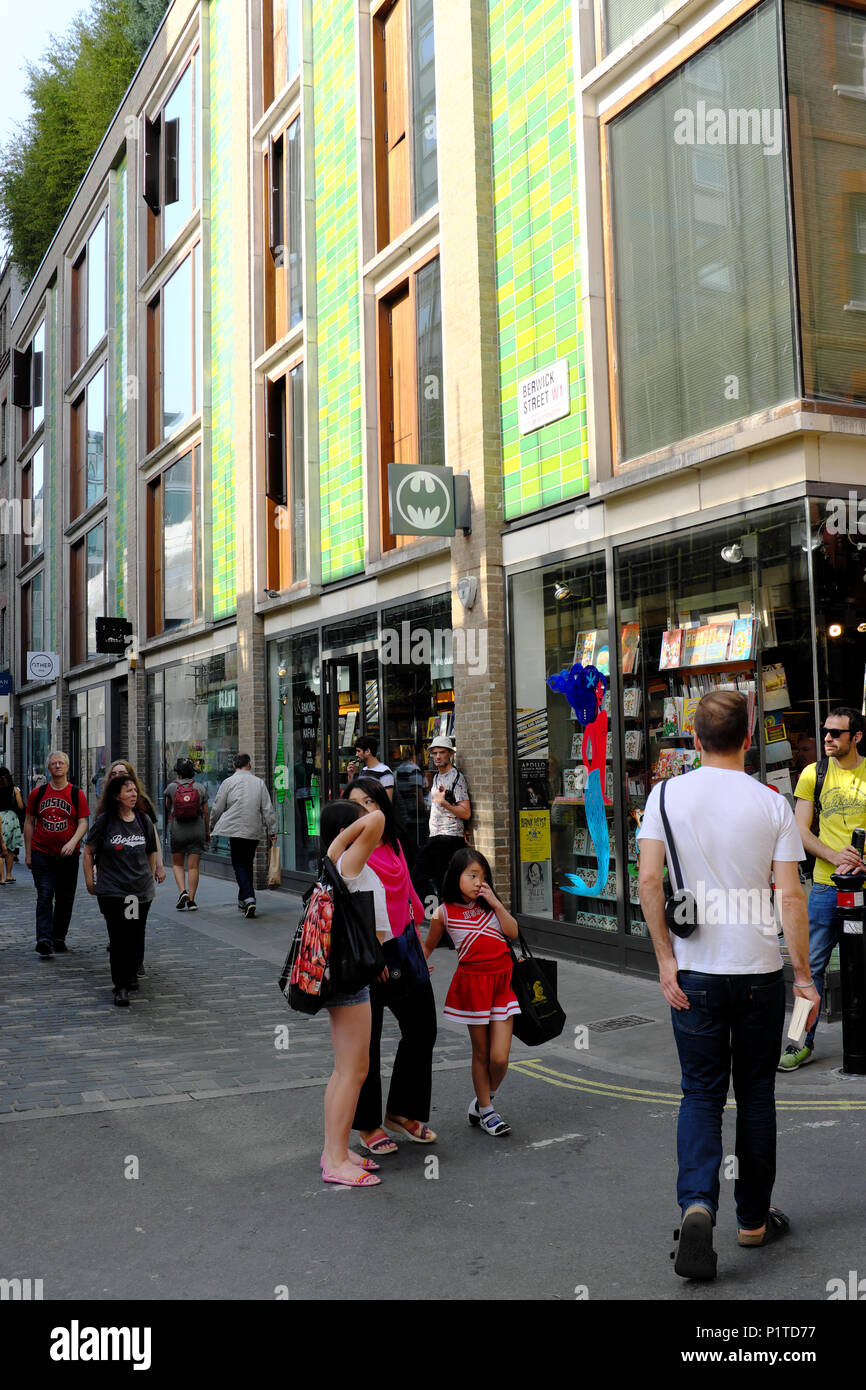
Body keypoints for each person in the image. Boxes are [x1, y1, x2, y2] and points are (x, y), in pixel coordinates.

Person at [638, 691, 819, 1281]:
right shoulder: (772, 804)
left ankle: (697, 1205)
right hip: (760, 973)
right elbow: (791, 896)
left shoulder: (664, 794)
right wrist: (803, 975)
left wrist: (666, 960)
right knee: (758, 1093)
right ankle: (752, 1220)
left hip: (694, 974)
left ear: (693, 739)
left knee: (700, 1094)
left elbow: (648, 883)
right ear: (748, 738)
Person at [343, 776, 438, 1153]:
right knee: (368, 1043)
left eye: (371, 802)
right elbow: (350, 909)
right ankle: (367, 1125)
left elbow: (406, 888)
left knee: (422, 1029)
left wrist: (423, 929)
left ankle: (400, 1111)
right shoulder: (352, 850)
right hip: (372, 954)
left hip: (405, 946)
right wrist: (375, 952)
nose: (365, 810)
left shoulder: (394, 840)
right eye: (356, 804)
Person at [779, 706, 866, 1071]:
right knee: (809, 967)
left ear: (856, 737)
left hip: (863, 883)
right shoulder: (813, 775)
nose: (827, 738)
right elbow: (800, 829)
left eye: (836, 733)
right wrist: (834, 854)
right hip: (826, 888)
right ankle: (798, 1040)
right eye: (825, 731)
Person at [423, 846, 520, 1136]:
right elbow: (428, 945)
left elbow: (512, 932)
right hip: (473, 986)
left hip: (502, 983)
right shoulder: (443, 913)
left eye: (483, 875)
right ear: (456, 877)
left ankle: (483, 1101)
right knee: (482, 1053)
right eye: (472, 875)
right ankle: (488, 1112)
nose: (479, 881)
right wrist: (415, 970)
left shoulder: (491, 905)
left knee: (500, 1057)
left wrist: (497, 903)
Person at [319, 798, 387, 1188]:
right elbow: (379, 818)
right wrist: (342, 841)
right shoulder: (346, 862)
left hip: (343, 976)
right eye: (355, 821)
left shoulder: (337, 865)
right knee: (354, 1071)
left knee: (345, 1071)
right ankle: (335, 1159)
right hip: (350, 978)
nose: (367, 824)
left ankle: (335, 1149)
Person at [82, 774, 159, 1008]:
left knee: (133, 934)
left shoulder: (143, 820)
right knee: (118, 937)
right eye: (128, 791)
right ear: (117, 796)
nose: (134, 794)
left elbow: (151, 852)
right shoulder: (105, 822)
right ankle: (120, 987)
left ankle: (131, 972)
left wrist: (149, 876)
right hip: (114, 891)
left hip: (137, 893)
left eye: (135, 790)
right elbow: (88, 852)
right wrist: (89, 881)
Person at [24, 751, 90, 958]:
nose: (57, 766)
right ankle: (44, 939)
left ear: (68, 767)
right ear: (48, 768)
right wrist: (28, 853)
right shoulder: (38, 793)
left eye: (61, 763)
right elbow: (29, 822)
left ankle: (58, 937)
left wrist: (73, 842)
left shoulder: (76, 794)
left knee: (65, 897)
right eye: (53, 763)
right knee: (44, 894)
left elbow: (83, 822)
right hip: (41, 852)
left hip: (68, 855)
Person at [209, 753, 277, 918]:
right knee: (246, 863)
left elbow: (218, 806)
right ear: (249, 764)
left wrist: (211, 823)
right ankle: (243, 901)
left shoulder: (228, 782)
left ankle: (248, 897)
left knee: (239, 864)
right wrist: (272, 829)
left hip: (234, 829)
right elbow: (267, 808)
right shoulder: (259, 783)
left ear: (234, 766)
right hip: (253, 830)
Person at [411, 736, 471, 908]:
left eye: (441, 752)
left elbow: (466, 812)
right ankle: (438, 913)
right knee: (420, 877)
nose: (437, 756)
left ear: (450, 754)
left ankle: (442, 919)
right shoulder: (437, 776)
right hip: (436, 836)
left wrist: (443, 802)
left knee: (441, 883)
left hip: (449, 838)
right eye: (434, 753)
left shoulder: (456, 778)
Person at [164, 758, 209, 912]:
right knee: (193, 866)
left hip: (178, 830)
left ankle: (182, 891)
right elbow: (206, 812)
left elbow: (168, 807)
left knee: (177, 864)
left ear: (178, 773)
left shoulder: (171, 787)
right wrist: (207, 832)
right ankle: (191, 900)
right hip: (197, 830)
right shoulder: (200, 788)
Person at [0, 767, 24, 883]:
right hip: (11, 818)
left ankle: (1, 876)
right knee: (10, 849)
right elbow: (20, 806)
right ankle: (9, 874)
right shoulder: (14, 790)